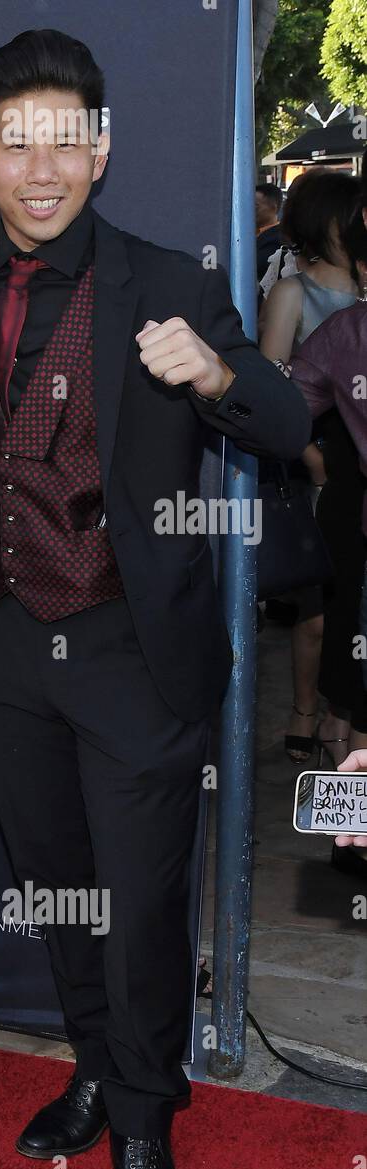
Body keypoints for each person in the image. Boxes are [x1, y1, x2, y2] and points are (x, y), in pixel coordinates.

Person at [0, 30, 311, 1169]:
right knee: (62, 889)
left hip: (129, 646)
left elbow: (289, 415)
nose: (44, 167)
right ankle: (95, 1065)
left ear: (104, 147)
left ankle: (146, 1113)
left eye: (66, 139)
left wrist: (211, 377)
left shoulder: (172, 284)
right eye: (17, 143)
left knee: (139, 903)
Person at [259, 171, 363, 767]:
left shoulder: (364, 287)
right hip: (315, 458)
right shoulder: (293, 292)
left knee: (347, 610)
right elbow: (275, 395)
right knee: (319, 611)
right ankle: (309, 710)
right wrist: (315, 462)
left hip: (349, 466)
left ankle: (337, 717)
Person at [255, 182, 284, 286]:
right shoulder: (246, 234)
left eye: (255, 206)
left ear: (273, 208)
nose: (249, 210)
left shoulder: (278, 239)